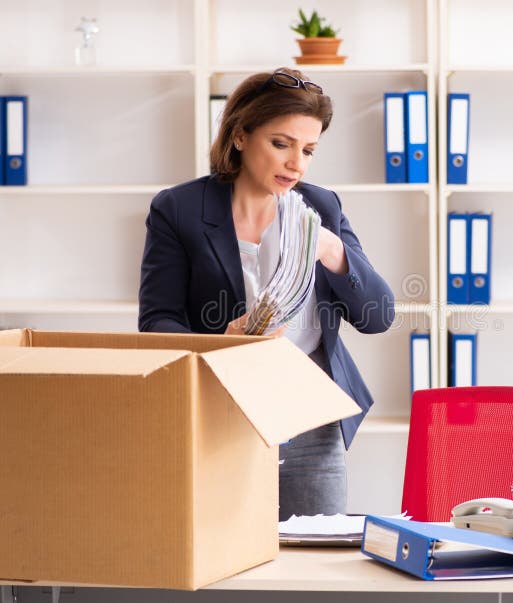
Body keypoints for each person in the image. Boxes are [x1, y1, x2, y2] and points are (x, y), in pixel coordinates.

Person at [138, 67, 395, 520]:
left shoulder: (322, 206)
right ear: (240, 135)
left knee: (313, 565)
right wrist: (220, 342)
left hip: (309, 411)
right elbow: (158, 320)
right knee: (224, 559)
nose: (297, 163)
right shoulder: (178, 208)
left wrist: (333, 251)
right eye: (281, 144)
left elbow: (378, 316)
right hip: (220, 409)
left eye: (309, 150)